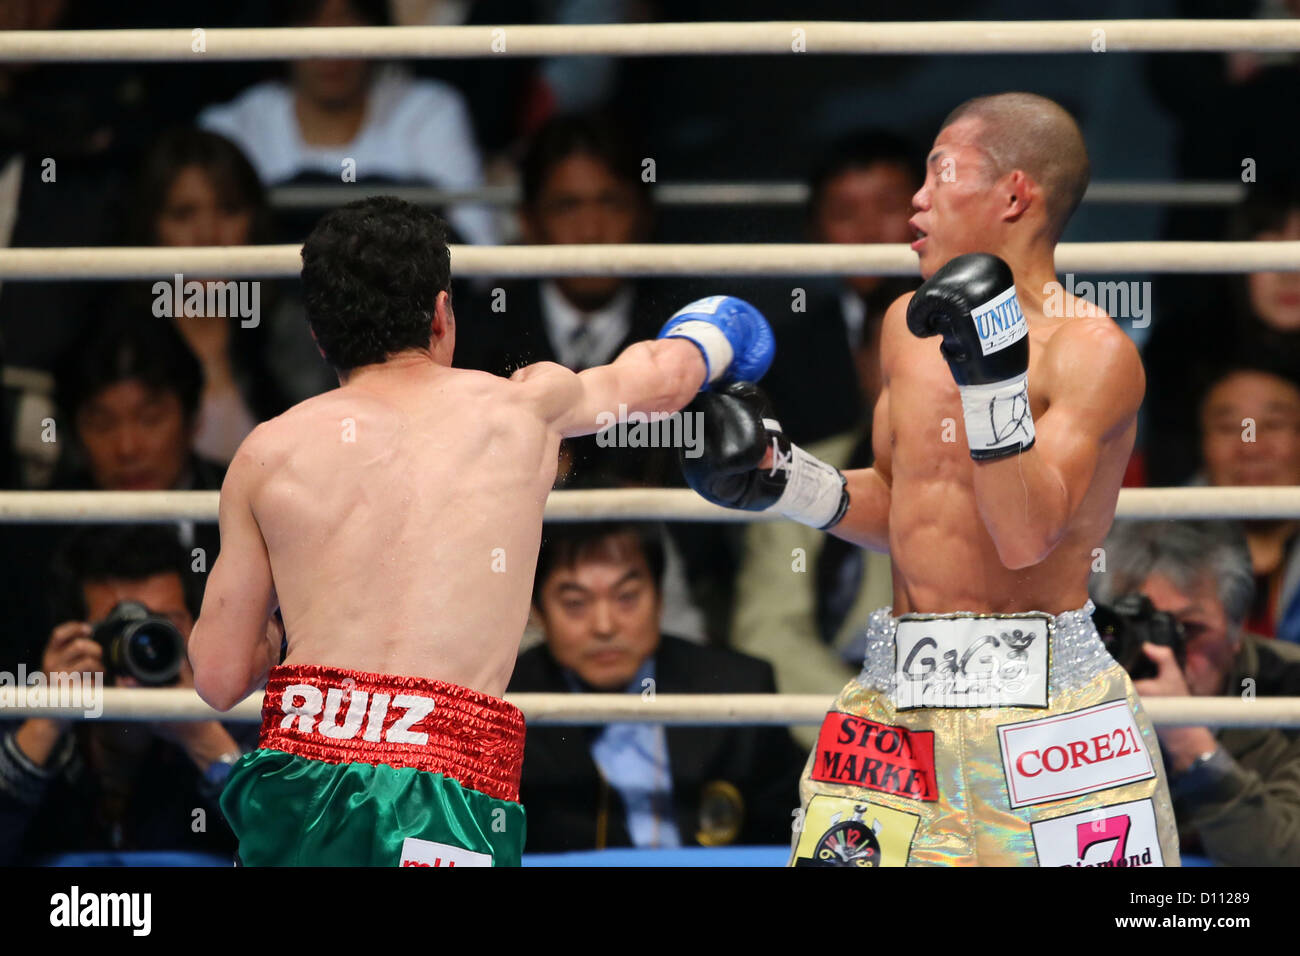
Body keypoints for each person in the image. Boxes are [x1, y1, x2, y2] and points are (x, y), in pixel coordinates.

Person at [187, 196, 774, 867]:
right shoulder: (524, 410)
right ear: (441, 312)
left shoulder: (267, 453)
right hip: (447, 777)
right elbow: (663, 382)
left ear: (319, 336)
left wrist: (282, 624)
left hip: (301, 766)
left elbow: (219, 675)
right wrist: (723, 332)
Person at [682, 92, 1180, 866]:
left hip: (1051, 720)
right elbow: (902, 506)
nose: (915, 200)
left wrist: (990, 381)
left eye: (939, 174)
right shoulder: (905, 330)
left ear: (1015, 194)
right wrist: (788, 482)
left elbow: (1023, 536)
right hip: (898, 705)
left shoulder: (1094, 350)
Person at [509, 522, 804, 851]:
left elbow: (787, 839)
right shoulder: (505, 709)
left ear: (660, 598)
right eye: (576, 603)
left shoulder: (741, 688)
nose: (604, 626)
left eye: (627, 597)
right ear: (537, 612)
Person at [0, 525, 253, 865]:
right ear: (71, 635)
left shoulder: (241, 716)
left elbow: (287, 848)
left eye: (162, 625)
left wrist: (204, 738)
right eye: (117, 628)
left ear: (197, 630)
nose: (141, 643)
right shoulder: (21, 715)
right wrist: (48, 721)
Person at [198, 0, 494, 247]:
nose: (331, 40)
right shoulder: (234, 126)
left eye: (347, 18)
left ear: (376, 27)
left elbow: (478, 246)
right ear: (282, 28)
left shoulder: (430, 111)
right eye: (311, 18)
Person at [1092, 520, 1300, 866]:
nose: (1163, 652)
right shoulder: (1067, 690)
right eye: (1136, 628)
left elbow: (1287, 855)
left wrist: (1188, 740)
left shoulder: (1289, 690)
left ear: (1237, 630)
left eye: (1187, 630)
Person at [125, 127, 335, 462]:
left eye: (228, 210)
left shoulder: (297, 332)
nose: (208, 233)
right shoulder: (117, 344)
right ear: (151, 227)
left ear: (255, 221)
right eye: (183, 214)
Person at [1196, 358, 1300, 641]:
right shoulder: (1141, 556)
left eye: (1275, 424)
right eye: (1229, 427)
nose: (1251, 447)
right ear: (1202, 447)